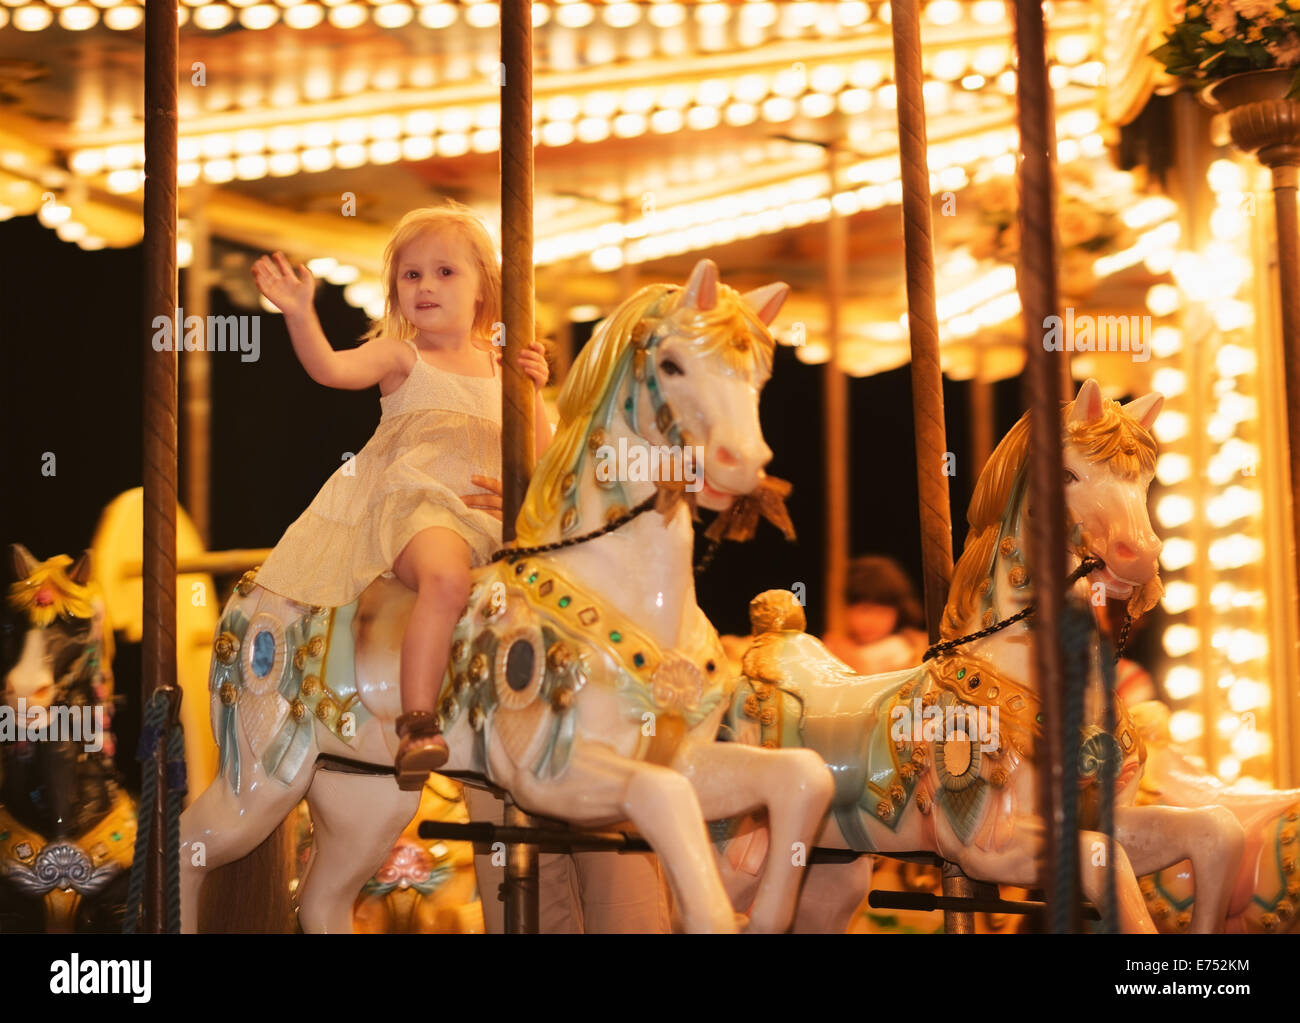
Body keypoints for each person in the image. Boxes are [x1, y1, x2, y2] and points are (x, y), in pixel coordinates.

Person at [250, 202, 552, 789]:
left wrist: (534, 391)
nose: (425, 286)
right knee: (445, 580)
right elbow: (331, 370)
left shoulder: (502, 369)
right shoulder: (401, 356)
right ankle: (418, 722)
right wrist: (298, 313)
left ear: (482, 291)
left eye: (445, 272)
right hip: (419, 508)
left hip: (489, 521)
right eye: (411, 276)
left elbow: (542, 460)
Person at [823, 555, 927, 674]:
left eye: (882, 613)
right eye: (864, 610)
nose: (871, 621)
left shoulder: (903, 650)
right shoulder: (832, 646)